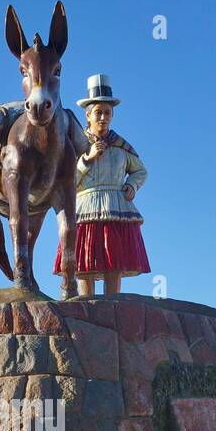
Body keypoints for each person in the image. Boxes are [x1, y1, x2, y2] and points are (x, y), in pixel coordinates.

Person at [54, 74, 149, 296]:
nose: (103, 118)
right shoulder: (75, 146)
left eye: (107, 113)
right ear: (87, 115)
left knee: (113, 259)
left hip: (116, 207)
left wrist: (132, 185)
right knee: (85, 261)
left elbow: (141, 170)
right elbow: (64, 181)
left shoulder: (121, 146)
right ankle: (85, 306)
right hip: (85, 207)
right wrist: (86, 160)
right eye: (98, 112)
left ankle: (113, 304)